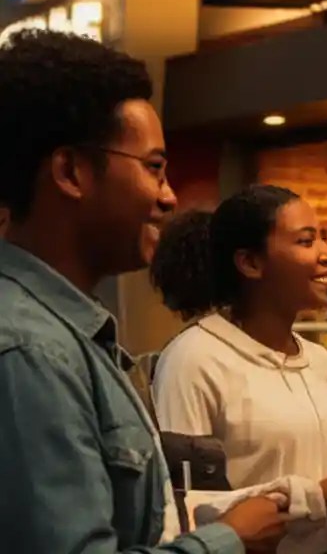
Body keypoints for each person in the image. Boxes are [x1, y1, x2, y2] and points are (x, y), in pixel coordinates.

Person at [0, 29, 285, 552]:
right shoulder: (31, 352)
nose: (168, 197)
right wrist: (229, 541)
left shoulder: (67, 337)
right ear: (71, 172)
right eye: (154, 168)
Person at [149, 187, 327, 552]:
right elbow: (187, 509)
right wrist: (320, 499)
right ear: (251, 263)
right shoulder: (194, 359)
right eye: (306, 241)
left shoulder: (318, 360)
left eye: (323, 239)